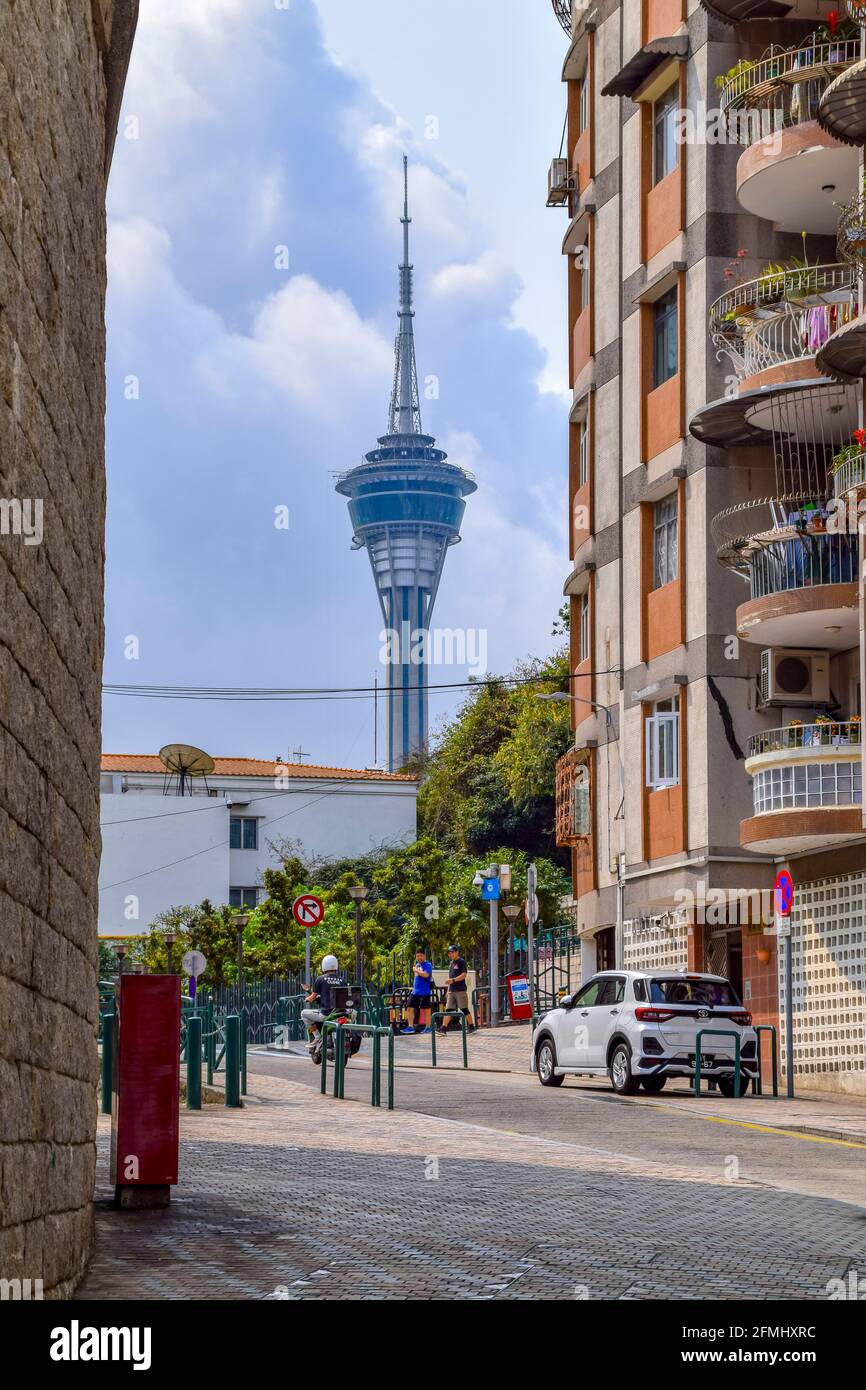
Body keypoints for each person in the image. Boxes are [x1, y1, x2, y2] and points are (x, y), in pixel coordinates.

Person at [301, 954, 348, 1051]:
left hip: (326, 1014)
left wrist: (307, 999)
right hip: (340, 1014)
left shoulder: (320, 979)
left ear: (324, 966)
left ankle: (317, 1036)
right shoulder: (342, 980)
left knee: (303, 1014)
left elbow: (313, 997)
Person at [439, 945, 474, 1034]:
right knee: (448, 1010)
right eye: (450, 953)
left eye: (452, 952)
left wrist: (453, 980)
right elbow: (450, 978)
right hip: (452, 991)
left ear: (457, 952)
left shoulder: (461, 962)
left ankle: (471, 1026)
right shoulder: (451, 963)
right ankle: (443, 1029)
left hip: (460, 990)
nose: (451, 954)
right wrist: (448, 990)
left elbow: (464, 975)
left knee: (464, 1009)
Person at [404, 947, 434, 1034]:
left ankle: (428, 1027)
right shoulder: (417, 965)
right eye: (417, 956)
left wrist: (416, 970)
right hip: (415, 992)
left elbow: (426, 975)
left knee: (426, 1009)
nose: (419, 958)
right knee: (409, 1007)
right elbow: (416, 978)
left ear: (424, 956)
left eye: (420, 956)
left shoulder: (427, 965)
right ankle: (410, 1026)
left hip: (425, 992)